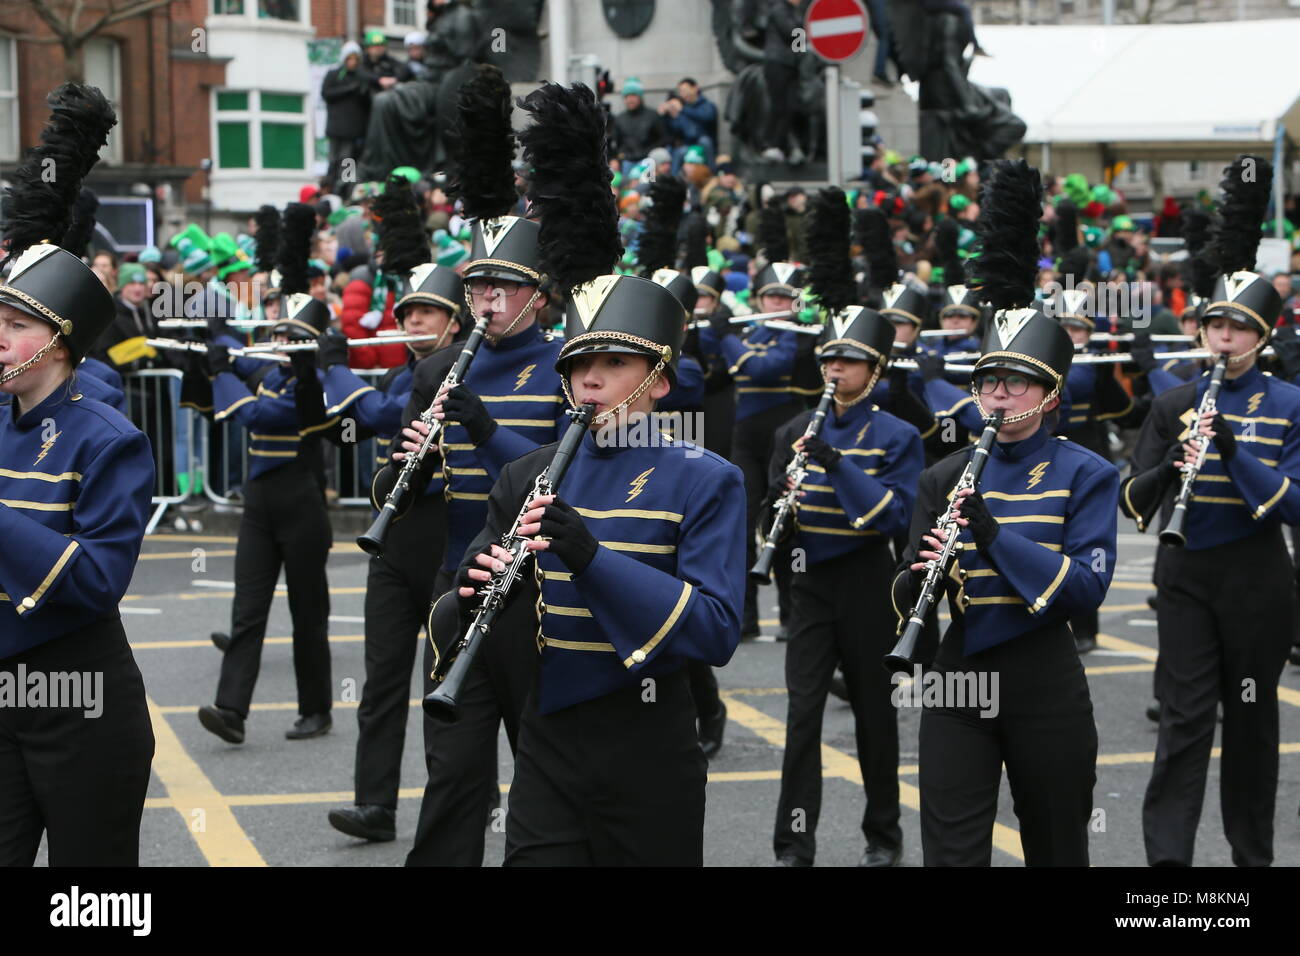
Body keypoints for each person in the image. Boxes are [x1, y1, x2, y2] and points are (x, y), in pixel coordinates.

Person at [456, 270, 745, 866]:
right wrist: (474, 593)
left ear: (660, 380)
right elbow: (466, 598)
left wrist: (590, 558)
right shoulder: (526, 474)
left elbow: (716, 630)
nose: (589, 378)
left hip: (649, 739)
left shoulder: (705, 477)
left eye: (614, 362)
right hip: (548, 733)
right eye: (578, 364)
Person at [892, 160, 1118, 866]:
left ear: (1049, 394)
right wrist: (921, 586)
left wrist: (988, 534)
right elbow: (905, 588)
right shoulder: (944, 475)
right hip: (959, 671)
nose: (997, 396)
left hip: (1044, 677)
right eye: (989, 381)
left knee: (1056, 847)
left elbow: (1083, 591)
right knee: (952, 853)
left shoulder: (1089, 472)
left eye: (1015, 383)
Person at [1123, 156, 1298, 867]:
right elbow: (1135, 500)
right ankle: (1169, 866)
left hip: (1257, 576)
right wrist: (1175, 461)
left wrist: (1233, 452)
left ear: (1260, 335)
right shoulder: (1172, 402)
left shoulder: (1289, 405)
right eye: (1214, 325)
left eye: (1237, 328)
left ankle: (1252, 857)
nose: (1223, 339)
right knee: (1186, 722)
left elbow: (1293, 505)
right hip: (1187, 573)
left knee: (1253, 720)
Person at [0, 82, 155, 866]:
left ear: (59, 343)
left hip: (79, 695)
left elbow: (96, 582)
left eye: (15, 325)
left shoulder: (110, 439)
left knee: (93, 906)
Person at [768, 305, 923, 867]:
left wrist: (834, 464)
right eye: (829, 356)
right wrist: (782, 509)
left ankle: (884, 835)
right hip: (810, 587)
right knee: (802, 714)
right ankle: (793, 844)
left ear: (875, 368)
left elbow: (894, 517)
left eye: (849, 359)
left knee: (874, 718)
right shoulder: (791, 430)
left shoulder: (897, 435)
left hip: (867, 583)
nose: (836, 367)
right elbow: (768, 518)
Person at [324, 254, 464, 841]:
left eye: (428, 311)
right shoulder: (400, 373)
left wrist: (336, 372)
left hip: (446, 539)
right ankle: (375, 804)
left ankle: (457, 800)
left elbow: (380, 417)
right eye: (408, 311)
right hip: (393, 540)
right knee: (381, 680)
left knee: (445, 688)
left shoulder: (461, 372)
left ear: (455, 320)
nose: (414, 320)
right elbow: (348, 428)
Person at [196, 203, 335, 745]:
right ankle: (231, 708)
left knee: (307, 612)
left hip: (300, 501)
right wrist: (219, 339)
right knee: (247, 609)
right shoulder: (269, 366)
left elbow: (258, 413)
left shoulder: (309, 387)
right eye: (276, 330)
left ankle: (317, 708)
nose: (276, 339)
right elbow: (239, 355)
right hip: (260, 502)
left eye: (287, 334)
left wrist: (221, 374)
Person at [711, 261, 806, 639]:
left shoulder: (798, 335)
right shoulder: (747, 331)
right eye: (771, 296)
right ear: (759, 299)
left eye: (784, 296)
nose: (777, 302)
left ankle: (789, 614)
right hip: (745, 437)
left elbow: (765, 369)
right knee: (742, 521)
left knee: (784, 521)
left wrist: (727, 339)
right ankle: (745, 616)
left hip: (782, 435)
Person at [321, 42, 371, 200]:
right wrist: (349, 89)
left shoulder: (361, 77)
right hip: (336, 129)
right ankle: (330, 189)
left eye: (356, 59)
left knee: (348, 161)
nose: (353, 63)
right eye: (350, 59)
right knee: (334, 161)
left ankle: (346, 192)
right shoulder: (334, 75)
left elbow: (367, 101)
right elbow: (327, 93)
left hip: (352, 132)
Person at [612, 78, 666, 164]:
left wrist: (648, 153)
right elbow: (616, 143)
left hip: (649, 160)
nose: (630, 99)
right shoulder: (620, 119)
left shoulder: (653, 115)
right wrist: (618, 157)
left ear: (640, 97)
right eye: (627, 96)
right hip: (627, 161)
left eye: (633, 95)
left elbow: (663, 140)